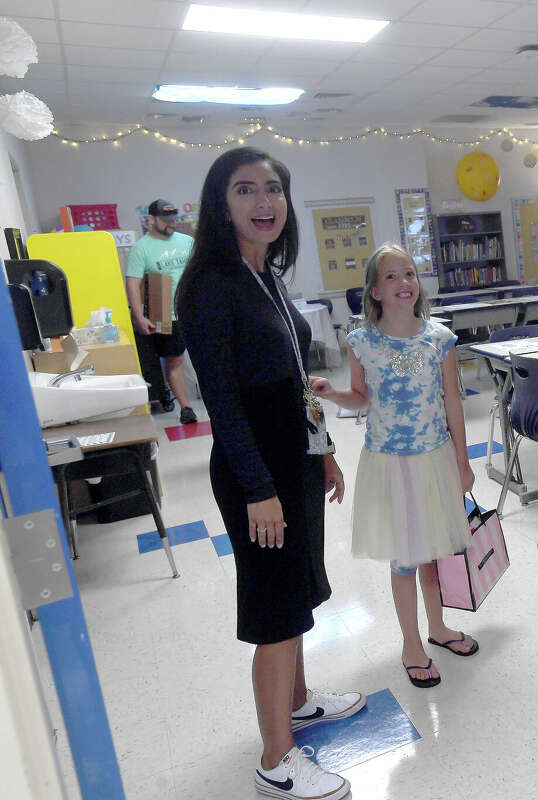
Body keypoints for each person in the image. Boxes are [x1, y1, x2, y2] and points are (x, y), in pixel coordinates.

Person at [176, 147, 363, 800]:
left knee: (302, 590)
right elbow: (222, 403)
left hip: (295, 458)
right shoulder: (207, 283)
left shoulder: (269, 278)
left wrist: (326, 448)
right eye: (246, 190)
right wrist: (259, 490)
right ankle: (276, 760)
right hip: (256, 472)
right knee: (276, 613)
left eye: (275, 190)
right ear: (219, 203)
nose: (265, 203)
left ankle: (301, 700)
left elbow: (294, 384)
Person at [311, 243, 478, 690]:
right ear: (374, 291)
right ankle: (411, 644)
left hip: (435, 457)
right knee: (406, 557)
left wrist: (463, 462)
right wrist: (331, 394)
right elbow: (362, 397)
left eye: (409, 274)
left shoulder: (439, 338)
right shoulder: (362, 341)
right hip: (390, 461)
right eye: (391, 277)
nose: (404, 283)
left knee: (434, 550)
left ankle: (438, 627)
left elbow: (452, 402)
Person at [124, 198, 198, 423]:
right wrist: (140, 316)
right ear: (151, 219)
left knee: (208, 355)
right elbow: (132, 284)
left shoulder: (187, 241)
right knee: (174, 359)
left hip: (193, 306)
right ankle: (186, 408)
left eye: (172, 219)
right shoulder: (141, 248)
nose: (170, 223)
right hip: (161, 303)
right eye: (165, 219)